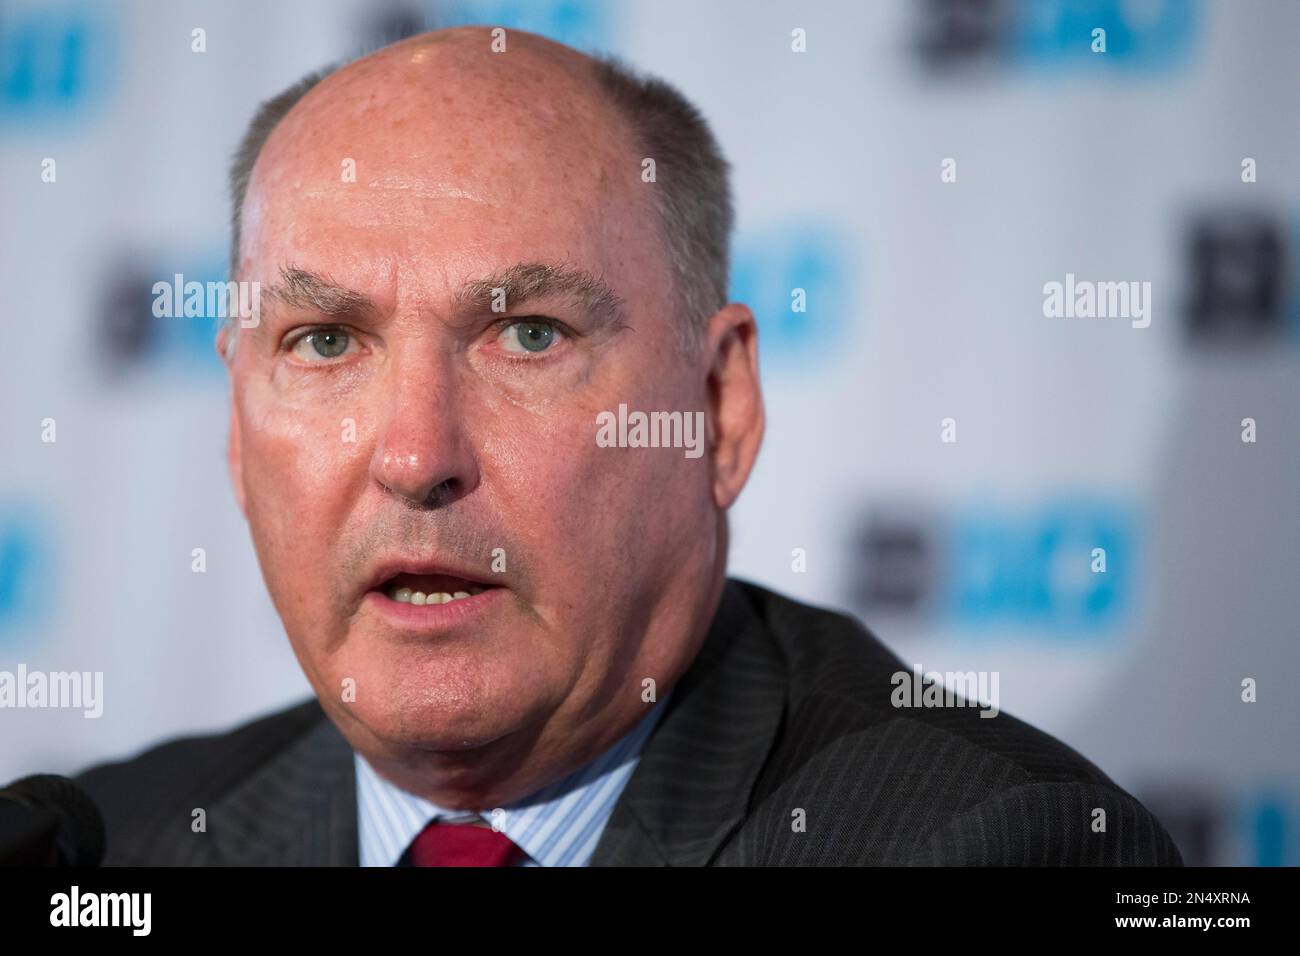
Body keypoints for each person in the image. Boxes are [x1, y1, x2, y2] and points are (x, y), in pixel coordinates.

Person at [75, 26, 1182, 866]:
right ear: (234, 427)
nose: (416, 456)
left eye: (527, 334)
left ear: (717, 409)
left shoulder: (992, 844)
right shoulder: (105, 846)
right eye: (323, 340)